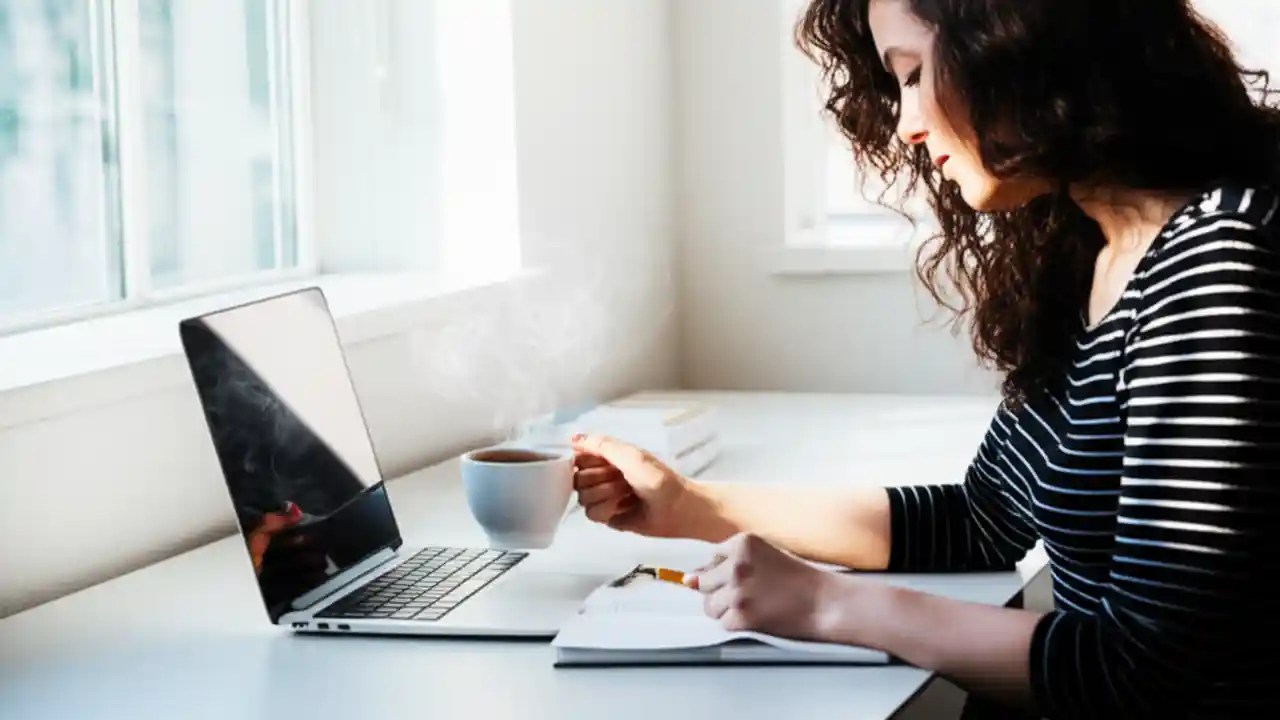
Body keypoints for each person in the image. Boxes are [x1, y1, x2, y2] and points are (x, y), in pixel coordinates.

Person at [571, 0, 1280, 717]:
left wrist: (828, 605)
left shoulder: (1214, 258)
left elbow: (1143, 673)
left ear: (1016, 42)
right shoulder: (1094, 253)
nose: (907, 125)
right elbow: (982, 518)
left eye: (912, 75)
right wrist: (692, 505)